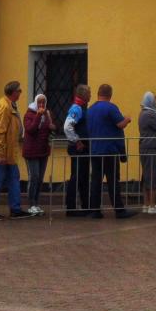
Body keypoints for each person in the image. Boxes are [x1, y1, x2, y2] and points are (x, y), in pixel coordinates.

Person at [0, 81, 29, 220]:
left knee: (13, 178)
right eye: (19, 90)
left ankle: (15, 208)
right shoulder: (5, 106)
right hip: (3, 153)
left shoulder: (9, 105)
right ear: (13, 92)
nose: (21, 93)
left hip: (9, 152)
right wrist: (1, 153)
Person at [84, 84, 131, 218]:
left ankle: (95, 210)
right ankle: (119, 210)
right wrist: (127, 119)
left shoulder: (91, 109)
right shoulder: (111, 108)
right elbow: (120, 124)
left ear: (98, 93)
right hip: (109, 150)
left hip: (95, 150)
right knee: (113, 181)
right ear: (110, 94)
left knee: (96, 181)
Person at [22, 92, 54, 216]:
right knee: (33, 176)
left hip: (43, 151)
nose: (41, 104)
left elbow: (49, 128)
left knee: (40, 178)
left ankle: (36, 202)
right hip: (31, 151)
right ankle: (31, 204)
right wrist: (38, 116)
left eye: (43, 102)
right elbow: (30, 129)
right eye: (39, 102)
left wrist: (52, 126)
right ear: (35, 102)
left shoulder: (47, 114)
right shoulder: (29, 114)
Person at [62, 84, 91, 217]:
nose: (90, 95)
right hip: (79, 148)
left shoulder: (81, 108)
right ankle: (71, 208)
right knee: (77, 177)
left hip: (83, 148)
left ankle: (85, 206)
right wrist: (77, 140)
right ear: (83, 95)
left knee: (83, 177)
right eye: (89, 93)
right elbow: (68, 126)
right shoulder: (77, 108)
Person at [136, 92, 156, 213]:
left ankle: (146, 204)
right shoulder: (150, 114)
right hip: (152, 148)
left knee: (146, 176)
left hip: (144, 147)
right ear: (150, 101)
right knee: (153, 176)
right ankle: (152, 206)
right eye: (155, 100)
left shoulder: (142, 113)